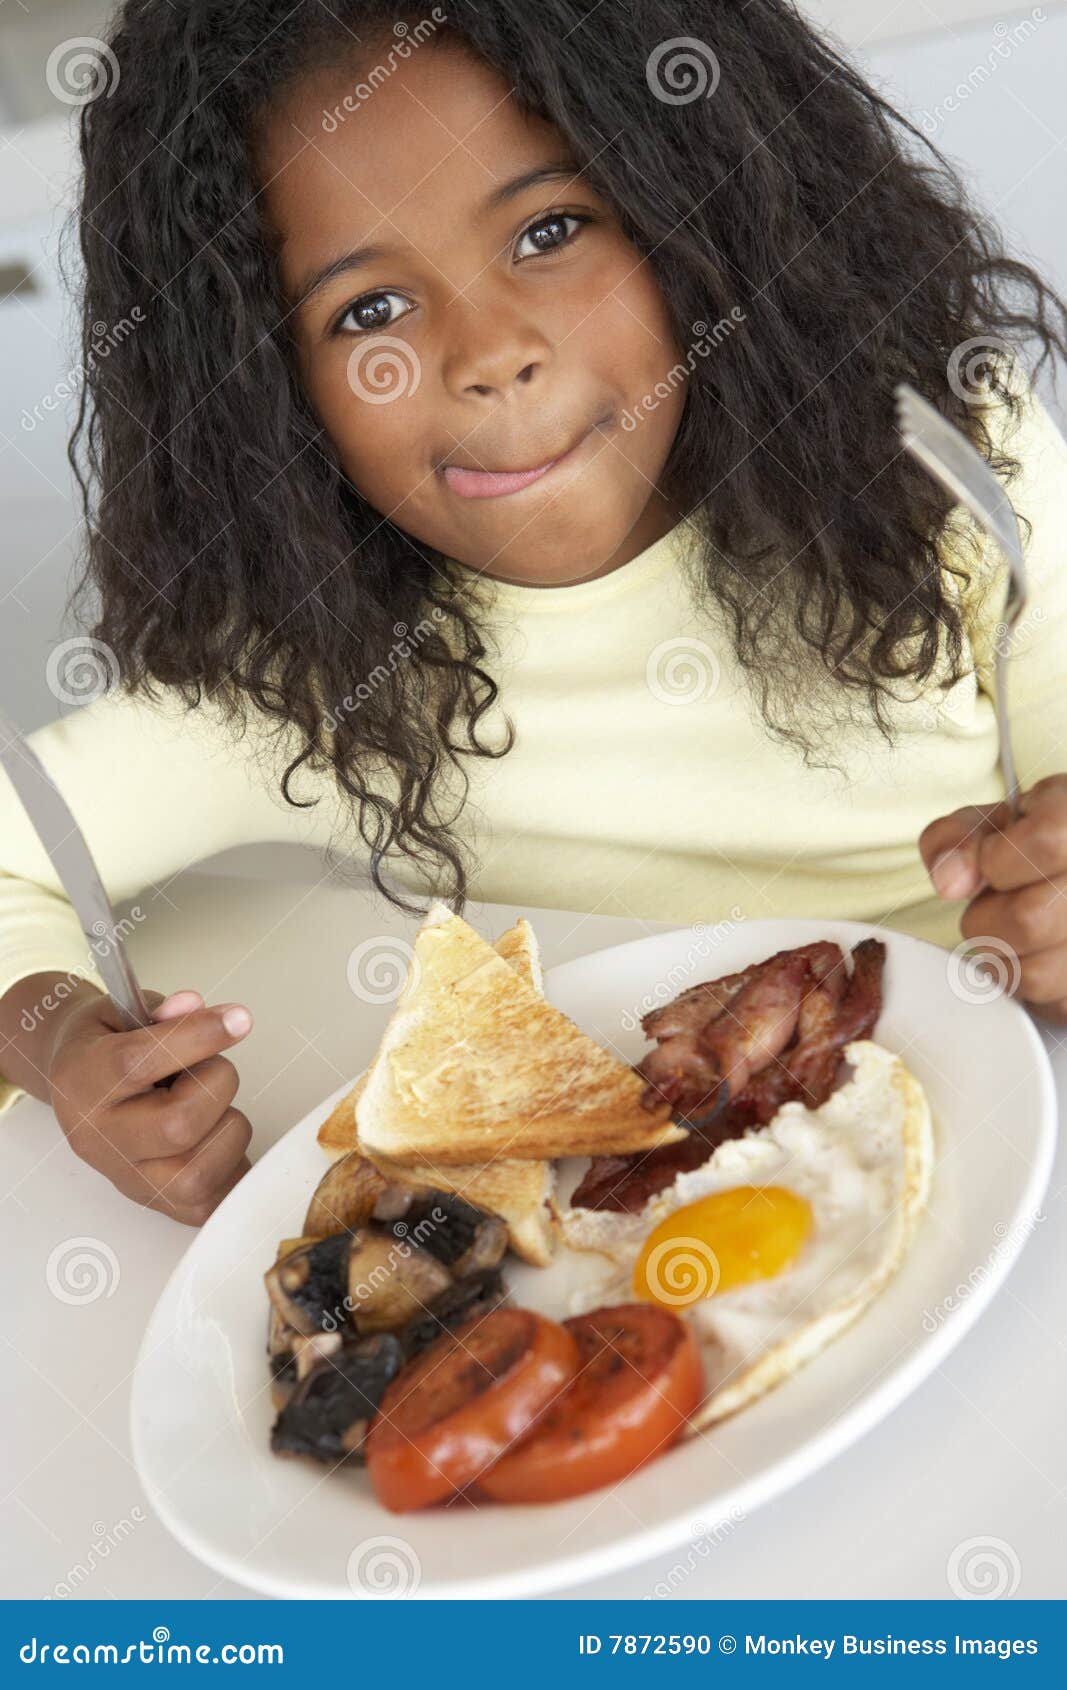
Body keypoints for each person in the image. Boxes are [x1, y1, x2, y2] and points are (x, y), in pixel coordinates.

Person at [2, 0, 1066, 1224]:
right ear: (262, 398)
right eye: (367, 311)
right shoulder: (312, 678)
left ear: (700, 198)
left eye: (548, 231)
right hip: (636, 1239)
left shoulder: (939, 473)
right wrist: (62, 1042)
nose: (488, 353)